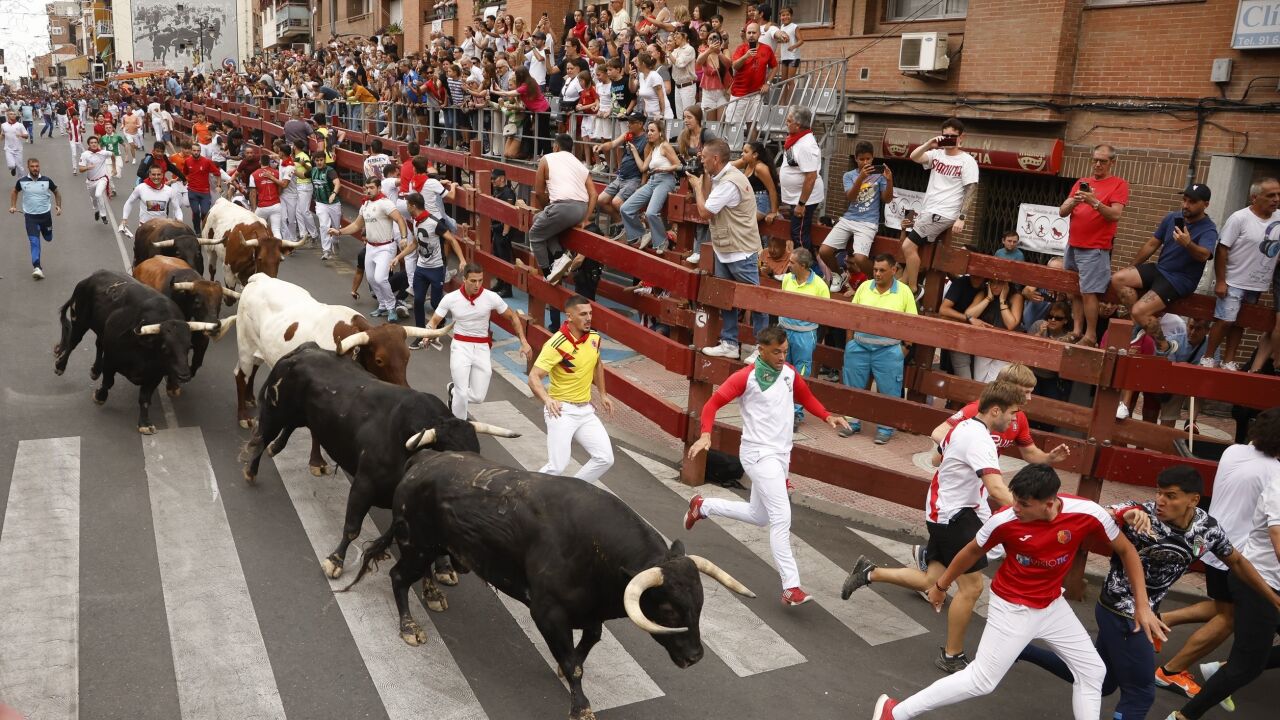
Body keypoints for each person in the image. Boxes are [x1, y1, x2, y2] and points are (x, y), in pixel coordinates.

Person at [866, 464, 1162, 720]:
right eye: (1015, 500)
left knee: (1093, 672)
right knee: (982, 681)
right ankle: (896, 712)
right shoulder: (1004, 520)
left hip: (1052, 606)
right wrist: (941, 586)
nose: (1015, 507)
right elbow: (971, 551)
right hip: (1013, 607)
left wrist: (1142, 606)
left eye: (1023, 504)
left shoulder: (1086, 513)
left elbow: (1127, 550)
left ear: (1049, 503)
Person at [1018, 465, 1276, 720]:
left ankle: (1023, 651)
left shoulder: (1206, 528)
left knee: (1103, 681)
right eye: (1159, 492)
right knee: (1140, 695)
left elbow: (1237, 562)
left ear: (1193, 500)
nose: (1160, 501)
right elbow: (1096, 513)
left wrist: (1273, 598)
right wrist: (1123, 514)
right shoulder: (1141, 514)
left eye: (1171, 496)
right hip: (1121, 611)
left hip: (1143, 611)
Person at [843, 382, 1022, 673]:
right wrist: (1030, 514)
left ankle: (869, 573)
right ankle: (952, 656)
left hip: (943, 511)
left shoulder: (963, 426)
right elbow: (997, 489)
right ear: (995, 410)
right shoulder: (980, 439)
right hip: (954, 515)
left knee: (933, 580)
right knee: (972, 587)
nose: (1015, 420)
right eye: (1012, 413)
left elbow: (937, 459)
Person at [686, 324, 851, 605]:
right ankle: (791, 587)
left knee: (759, 515)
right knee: (781, 517)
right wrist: (705, 434)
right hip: (758, 455)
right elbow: (712, 404)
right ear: (761, 350)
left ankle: (703, 506)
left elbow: (806, 397)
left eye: (785, 351)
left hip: (781, 455)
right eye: (776, 352)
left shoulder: (789, 373)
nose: (782, 357)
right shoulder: (745, 378)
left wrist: (827, 416)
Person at [1155, 411, 1280, 705]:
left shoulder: (1233, 451)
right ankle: (1171, 670)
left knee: (1223, 608)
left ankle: (1160, 620)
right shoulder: (1274, 472)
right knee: (1229, 617)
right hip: (1237, 554)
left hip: (1212, 541)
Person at [1110, 184, 1219, 380]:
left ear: (1206, 204)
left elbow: (1204, 255)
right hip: (1161, 269)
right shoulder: (1172, 218)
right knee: (1118, 278)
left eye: (1192, 202)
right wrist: (1132, 268)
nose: (1185, 205)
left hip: (1180, 280)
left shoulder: (1209, 229)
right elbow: (1152, 243)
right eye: (1184, 199)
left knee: (1140, 311)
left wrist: (1187, 244)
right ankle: (1140, 323)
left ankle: (1164, 345)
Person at [690, 138, 769, 361]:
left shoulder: (728, 183)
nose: (701, 160)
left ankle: (762, 349)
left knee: (755, 301)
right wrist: (704, 180)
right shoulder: (723, 175)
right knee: (726, 298)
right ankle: (729, 343)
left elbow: (705, 212)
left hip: (741, 250)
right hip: (726, 248)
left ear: (715, 159)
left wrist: (696, 187)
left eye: (704, 157)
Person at [528, 294, 615, 486]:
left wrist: (603, 394)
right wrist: (547, 400)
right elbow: (534, 376)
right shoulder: (556, 344)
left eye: (590, 313)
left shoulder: (594, 337)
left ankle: (571, 489)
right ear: (569, 316)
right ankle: (525, 491)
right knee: (557, 466)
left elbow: (597, 364)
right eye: (583, 314)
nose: (589, 318)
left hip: (586, 410)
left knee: (605, 458)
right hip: (561, 411)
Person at [425, 262, 532, 418]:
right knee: (462, 393)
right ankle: (459, 424)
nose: (477, 285)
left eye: (480, 280)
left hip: (482, 347)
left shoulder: (491, 297)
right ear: (464, 279)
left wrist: (524, 341)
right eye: (473, 281)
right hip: (460, 346)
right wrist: (427, 333)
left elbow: (512, 317)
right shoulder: (450, 299)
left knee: (478, 397)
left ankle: (453, 391)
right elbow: (434, 321)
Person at [1202, 177, 1279, 371]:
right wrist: (1221, 281)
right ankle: (1208, 356)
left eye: (1278, 195)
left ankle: (1229, 360)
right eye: (1271, 195)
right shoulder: (1239, 218)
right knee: (1225, 320)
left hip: (1257, 283)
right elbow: (1222, 249)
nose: (1276, 199)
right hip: (1234, 281)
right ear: (1255, 197)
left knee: (1240, 322)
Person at [843, 253, 919, 444]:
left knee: (889, 391)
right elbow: (851, 316)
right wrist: (850, 343)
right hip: (859, 346)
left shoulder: (904, 292)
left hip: (889, 350)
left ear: (894, 270)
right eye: (875, 270)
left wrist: (904, 349)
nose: (877, 274)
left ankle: (885, 428)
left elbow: (913, 325)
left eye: (882, 270)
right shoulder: (864, 287)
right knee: (852, 387)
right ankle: (852, 422)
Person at [1060, 144, 1129, 347]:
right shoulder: (1082, 182)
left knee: (1089, 292)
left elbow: (1115, 214)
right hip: (1073, 244)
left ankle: (1090, 336)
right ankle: (1076, 331)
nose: (1098, 164)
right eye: (1095, 160)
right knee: (1075, 290)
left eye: (1103, 161)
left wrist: (1094, 202)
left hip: (1094, 248)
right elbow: (1062, 211)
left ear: (1112, 162)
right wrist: (1074, 201)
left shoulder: (1119, 184)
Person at [903, 117, 979, 294]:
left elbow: (971, 189)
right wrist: (929, 143)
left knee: (908, 246)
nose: (949, 139)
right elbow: (914, 157)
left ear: (961, 137)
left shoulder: (967, 161)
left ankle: (913, 289)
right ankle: (905, 285)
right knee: (917, 248)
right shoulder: (936, 154)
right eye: (945, 136)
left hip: (943, 213)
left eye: (953, 136)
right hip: (929, 211)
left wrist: (962, 217)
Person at [330, 177, 410, 321]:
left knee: (380, 278)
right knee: (372, 279)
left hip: (386, 247)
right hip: (371, 247)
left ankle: (391, 307)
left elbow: (399, 219)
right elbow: (356, 225)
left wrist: (404, 237)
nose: (368, 190)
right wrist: (339, 232)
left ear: (379, 188)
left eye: (372, 187)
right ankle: (383, 305)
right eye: (367, 187)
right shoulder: (365, 204)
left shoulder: (385, 203)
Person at [520, 133, 596, 285]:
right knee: (539, 219)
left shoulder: (546, 159)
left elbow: (539, 192)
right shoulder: (580, 164)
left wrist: (548, 209)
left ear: (555, 146)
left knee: (535, 234)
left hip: (562, 208)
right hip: (581, 209)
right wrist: (586, 218)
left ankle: (548, 273)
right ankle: (559, 256)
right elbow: (594, 194)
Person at [821, 141, 892, 292]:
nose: (865, 162)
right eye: (861, 159)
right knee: (824, 251)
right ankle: (839, 275)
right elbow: (851, 197)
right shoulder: (848, 176)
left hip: (868, 222)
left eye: (868, 159)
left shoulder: (879, 176)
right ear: (855, 158)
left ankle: (878, 284)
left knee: (860, 259)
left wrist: (889, 180)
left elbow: (887, 199)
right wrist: (861, 178)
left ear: (873, 158)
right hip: (849, 218)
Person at [396, 191, 467, 339]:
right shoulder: (416, 221)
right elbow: (414, 243)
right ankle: (420, 334)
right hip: (421, 268)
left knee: (436, 302)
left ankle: (441, 320)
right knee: (418, 300)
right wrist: (398, 257)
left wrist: (462, 259)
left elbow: (452, 240)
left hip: (436, 268)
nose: (406, 207)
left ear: (413, 206)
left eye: (407, 204)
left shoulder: (434, 222)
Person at [778, 247, 830, 430]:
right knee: (780, 369)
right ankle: (779, 410)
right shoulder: (787, 279)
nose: (788, 265)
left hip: (805, 334)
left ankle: (796, 413)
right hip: (784, 331)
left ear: (803, 265)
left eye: (792, 262)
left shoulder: (820, 286)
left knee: (801, 374)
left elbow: (825, 314)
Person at [619, 119, 680, 251]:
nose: (649, 133)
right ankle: (640, 234)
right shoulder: (654, 148)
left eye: (652, 131)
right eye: (648, 131)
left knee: (651, 213)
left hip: (665, 180)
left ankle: (662, 241)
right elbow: (643, 168)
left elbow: (678, 165)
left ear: (660, 133)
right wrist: (634, 151)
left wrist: (664, 169)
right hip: (652, 181)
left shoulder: (665, 146)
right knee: (625, 208)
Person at [779, 106, 825, 272]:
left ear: (798, 125)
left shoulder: (806, 145)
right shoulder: (796, 139)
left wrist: (801, 204)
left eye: (789, 121)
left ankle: (813, 273)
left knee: (799, 236)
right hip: (796, 197)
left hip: (805, 199)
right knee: (797, 234)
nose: (786, 123)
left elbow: (811, 176)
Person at [9, 157, 61, 280]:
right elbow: (15, 191)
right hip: (30, 217)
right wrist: (13, 206)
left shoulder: (46, 180)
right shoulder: (22, 181)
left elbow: (56, 191)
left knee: (48, 238)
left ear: (39, 167)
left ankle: (46, 233)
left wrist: (58, 206)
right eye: (32, 166)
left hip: (45, 216)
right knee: (34, 241)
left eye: (37, 166)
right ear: (28, 167)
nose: (35, 168)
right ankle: (37, 267)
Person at [593, 113, 647, 230]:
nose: (628, 125)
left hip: (634, 179)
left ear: (640, 124)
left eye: (631, 123)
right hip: (621, 176)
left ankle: (639, 227)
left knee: (616, 202)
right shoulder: (627, 135)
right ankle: (620, 223)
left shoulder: (646, 140)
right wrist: (601, 147)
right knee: (600, 201)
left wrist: (643, 183)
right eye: (628, 122)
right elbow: (612, 144)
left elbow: (647, 166)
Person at [727, 23, 777, 131]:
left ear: (759, 34)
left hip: (756, 94)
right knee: (734, 126)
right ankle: (736, 143)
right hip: (738, 94)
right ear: (745, 34)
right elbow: (735, 66)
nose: (751, 35)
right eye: (749, 32)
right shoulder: (741, 48)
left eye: (754, 32)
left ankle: (751, 143)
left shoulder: (767, 49)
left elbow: (774, 66)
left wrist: (767, 83)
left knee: (753, 126)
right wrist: (746, 56)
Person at [178, 139, 231, 235]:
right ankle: (197, 231)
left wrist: (219, 185)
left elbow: (218, 173)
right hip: (192, 191)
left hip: (205, 192)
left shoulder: (207, 161)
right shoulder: (187, 161)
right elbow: (185, 173)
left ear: (200, 151)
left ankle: (204, 229)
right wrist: (184, 180)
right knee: (195, 212)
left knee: (205, 212)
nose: (196, 152)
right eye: (194, 150)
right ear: (191, 151)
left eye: (198, 150)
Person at [120, 164, 183, 234]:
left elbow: (177, 208)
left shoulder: (170, 190)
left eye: (158, 174)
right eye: (153, 174)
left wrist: (180, 220)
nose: (156, 177)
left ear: (162, 175)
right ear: (149, 175)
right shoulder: (140, 188)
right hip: (144, 227)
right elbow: (129, 202)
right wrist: (124, 218)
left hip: (162, 228)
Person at [311, 153, 343, 260]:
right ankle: (326, 251)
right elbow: (303, 175)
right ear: (314, 161)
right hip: (320, 203)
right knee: (324, 226)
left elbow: (337, 183)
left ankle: (335, 241)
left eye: (321, 160)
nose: (319, 162)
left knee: (336, 227)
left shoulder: (330, 171)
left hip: (334, 204)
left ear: (324, 160)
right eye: (317, 160)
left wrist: (333, 194)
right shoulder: (313, 171)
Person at [249, 157, 290, 239]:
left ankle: (260, 246)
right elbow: (280, 189)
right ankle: (278, 246)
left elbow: (253, 194)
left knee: (258, 229)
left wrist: (253, 209)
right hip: (276, 205)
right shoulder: (277, 172)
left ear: (260, 162)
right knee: (276, 230)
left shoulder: (253, 175)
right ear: (269, 162)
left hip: (262, 207)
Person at [78, 136, 114, 226]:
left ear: (98, 143)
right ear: (89, 144)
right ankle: (96, 210)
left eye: (95, 142)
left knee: (98, 194)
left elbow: (112, 154)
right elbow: (81, 169)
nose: (94, 144)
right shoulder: (85, 154)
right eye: (91, 143)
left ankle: (103, 215)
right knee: (94, 199)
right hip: (90, 181)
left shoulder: (103, 153)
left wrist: (114, 167)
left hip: (102, 179)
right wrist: (87, 167)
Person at [3, 110, 30, 177]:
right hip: (8, 149)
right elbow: (2, 136)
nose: (13, 115)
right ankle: (13, 168)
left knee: (20, 166)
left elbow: (26, 136)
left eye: (14, 114)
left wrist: (21, 135)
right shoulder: (3, 125)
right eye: (11, 114)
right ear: (7, 115)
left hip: (18, 149)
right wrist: (1, 135)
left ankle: (22, 180)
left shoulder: (20, 125)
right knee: (11, 165)